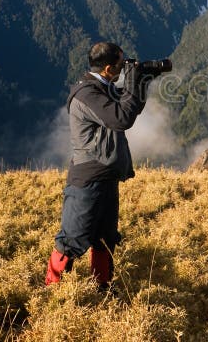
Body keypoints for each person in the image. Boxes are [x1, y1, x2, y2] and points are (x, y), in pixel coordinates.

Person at [45, 42, 151, 289]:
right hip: (88, 179)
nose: (124, 67)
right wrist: (133, 81)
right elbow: (122, 119)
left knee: (105, 238)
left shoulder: (103, 88)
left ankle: (102, 287)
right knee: (71, 239)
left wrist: (142, 80)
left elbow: (131, 107)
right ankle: (52, 291)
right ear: (108, 68)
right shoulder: (88, 94)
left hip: (106, 176)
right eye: (121, 64)